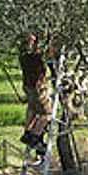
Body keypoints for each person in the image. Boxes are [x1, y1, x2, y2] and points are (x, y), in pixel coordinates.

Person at [18, 33, 51, 163]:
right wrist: (49, 38)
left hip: (27, 87)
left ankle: (27, 132)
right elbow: (48, 53)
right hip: (38, 88)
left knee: (32, 108)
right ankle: (34, 137)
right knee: (46, 114)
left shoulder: (23, 56)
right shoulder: (37, 57)